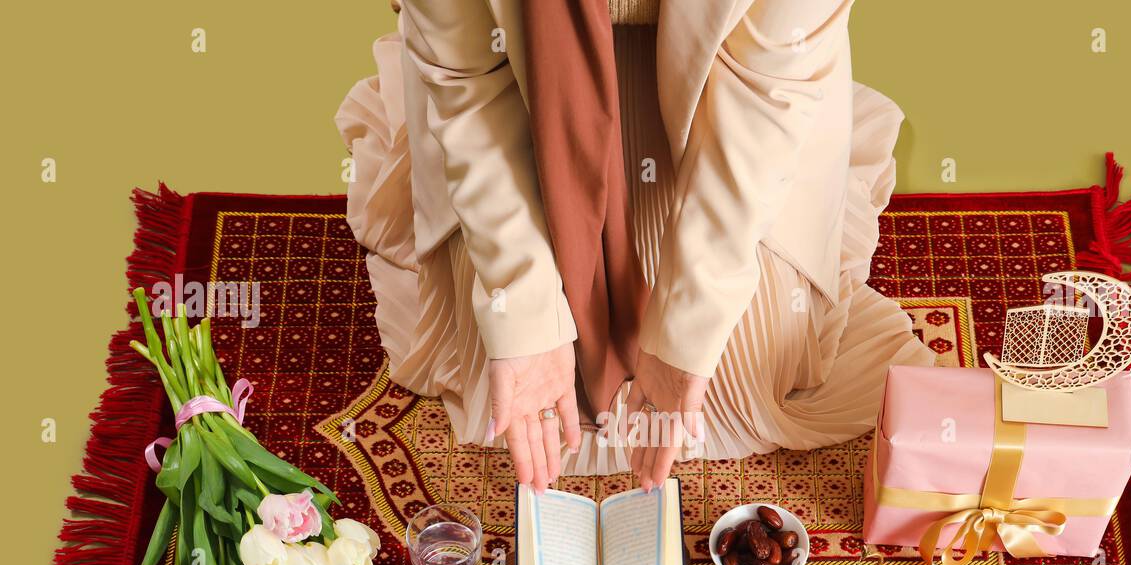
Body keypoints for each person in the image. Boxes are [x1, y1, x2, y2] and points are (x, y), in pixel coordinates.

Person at [337, 0, 932, 493]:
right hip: (520, 77)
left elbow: (763, 96)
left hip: (732, 88)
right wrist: (519, 307)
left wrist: (686, 334)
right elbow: (470, 83)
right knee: (496, 362)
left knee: (739, 378)